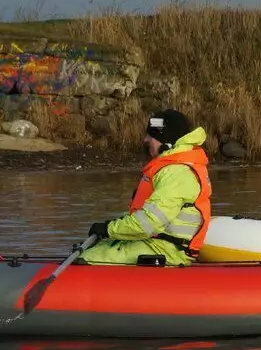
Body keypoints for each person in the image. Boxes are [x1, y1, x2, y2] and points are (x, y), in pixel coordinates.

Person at [79, 109, 212, 266]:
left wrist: (109, 229)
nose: (145, 139)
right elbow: (147, 217)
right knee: (93, 251)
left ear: (166, 140)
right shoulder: (173, 168)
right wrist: (116, 225)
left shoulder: (177, 173)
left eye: (151, 135)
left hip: (166, 251)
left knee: (89, 259)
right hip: (154, 243)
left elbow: (148, 223)